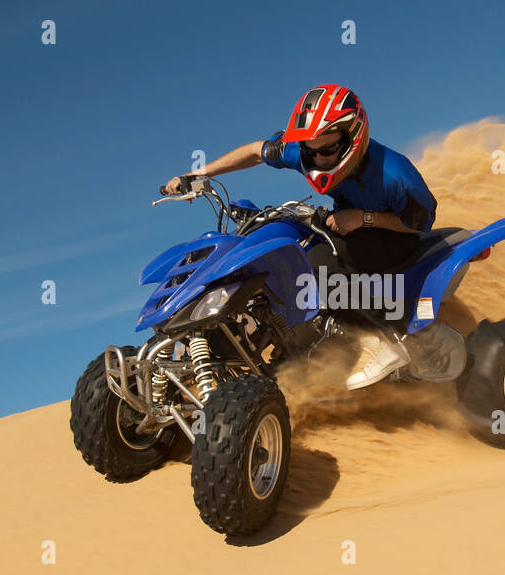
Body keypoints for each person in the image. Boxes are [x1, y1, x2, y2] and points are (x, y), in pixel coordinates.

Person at [165, 84, 438, 389]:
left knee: (315, 263)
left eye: (326, 150)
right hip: (343, 224)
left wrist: (364, 218)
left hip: (392, 237)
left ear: (353, 136)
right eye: (310, 150)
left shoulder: (395, 174)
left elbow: (420, 223)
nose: (317, 158)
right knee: (284, 257)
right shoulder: (306, 151)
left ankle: (378, 342)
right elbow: (257, 151)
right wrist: (201, 174)